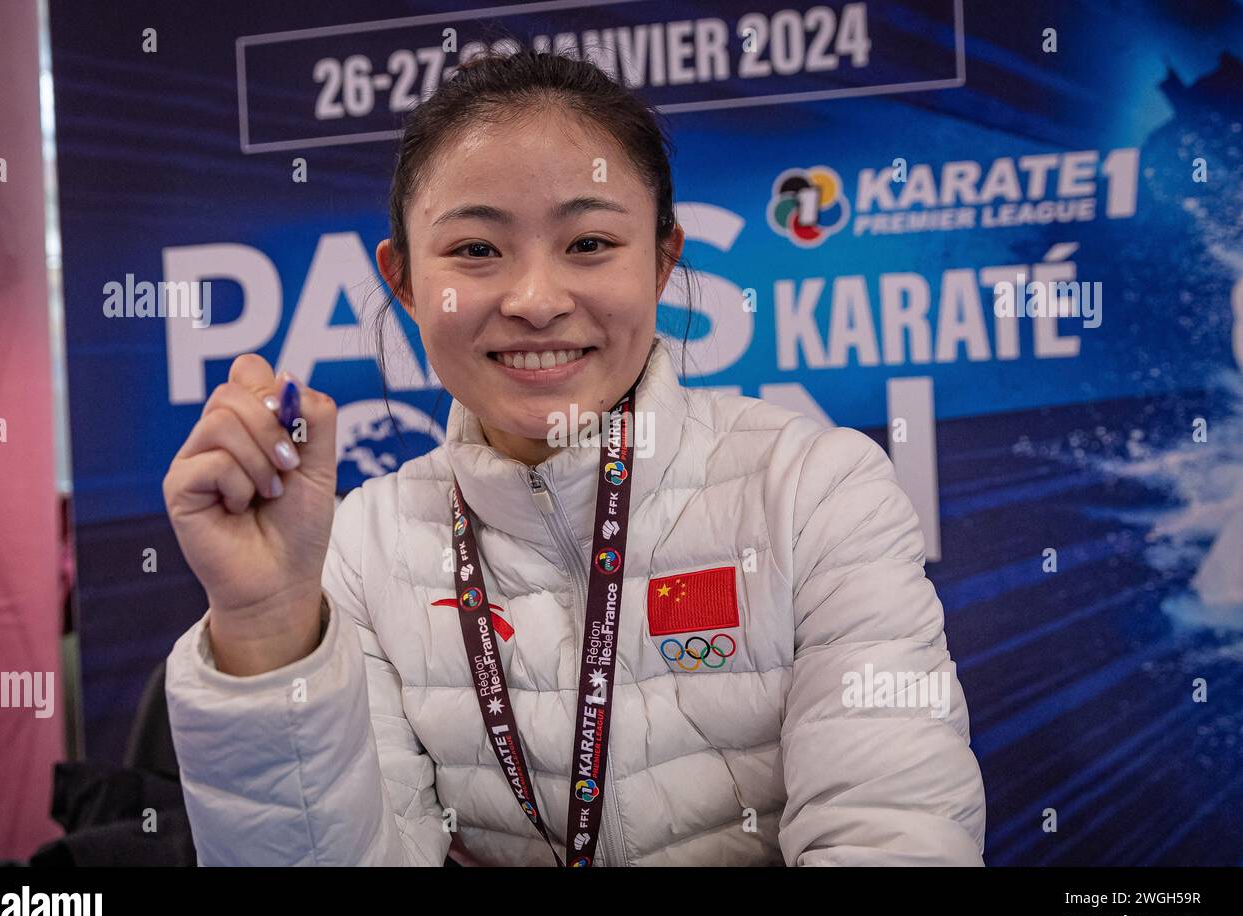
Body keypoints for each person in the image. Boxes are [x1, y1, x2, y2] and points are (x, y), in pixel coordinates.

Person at [161, 49, 986, 866]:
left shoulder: (814, 492)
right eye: (476, 251)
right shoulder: (360, 548)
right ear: (404, 282)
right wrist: (266, 625)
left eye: (589, 242)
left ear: (663, 260)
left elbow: (898, 840)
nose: (535, 301)